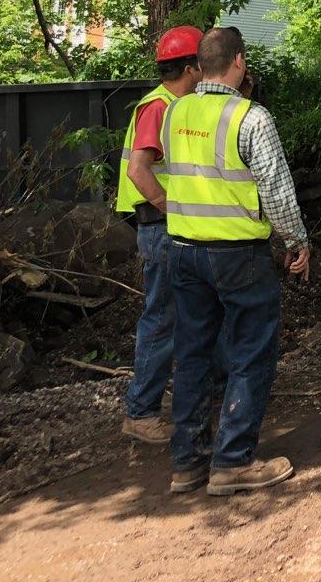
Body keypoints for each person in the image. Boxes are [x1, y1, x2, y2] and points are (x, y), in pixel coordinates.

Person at [158, 25, 311, 496]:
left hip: (183, 251)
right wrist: (297, 241)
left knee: (193, 355)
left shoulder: (174, 112)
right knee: (250, 352)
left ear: (201, 64)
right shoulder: (251, 117)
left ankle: (187, 463)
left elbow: (172, 172)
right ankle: (232, 462)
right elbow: (276, 191)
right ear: (239, 61)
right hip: (237, 255)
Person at [115, 24, 204, 446]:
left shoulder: (177, 106)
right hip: (162, 228)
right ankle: (141, 413)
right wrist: (171, 207)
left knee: (193, 314)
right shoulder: (158, 107)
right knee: (161, 320)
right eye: (202, 65)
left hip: (171, 228)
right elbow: (139, 169)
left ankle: (210, 391)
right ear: (190, 68)